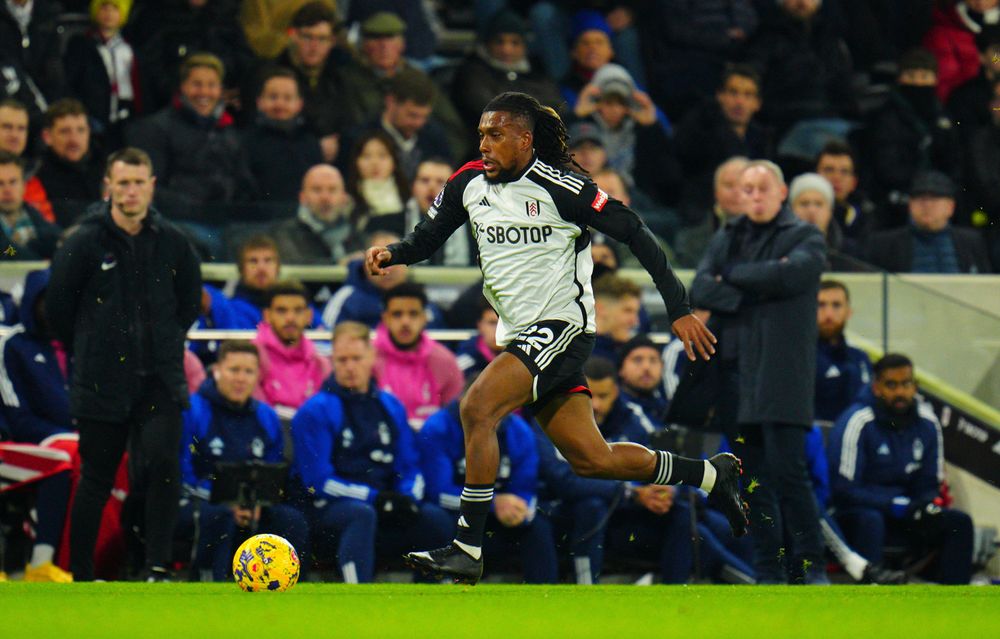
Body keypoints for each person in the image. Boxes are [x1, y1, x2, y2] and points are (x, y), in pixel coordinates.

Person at [366, 91, 746, 584]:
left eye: (495, 134)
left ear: (525, 139)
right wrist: (393, 253)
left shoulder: (560, 186)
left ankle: (466, 546)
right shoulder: (466, 184)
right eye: (481, 133)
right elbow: (427, 238)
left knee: (476, 408)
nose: (484, 142)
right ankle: (711, 474)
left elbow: (634, 230)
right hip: (522, 335)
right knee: (593, 459)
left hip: (563, 328)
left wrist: (679, 309)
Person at [46, 147, 202, 581]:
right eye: (124, 182)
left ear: (152, 185)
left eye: (139, 182)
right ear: (108, 186)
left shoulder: (174, 243)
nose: (131, 190)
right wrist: (93, 347)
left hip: (160, 379)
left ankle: (154, 565)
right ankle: (80, 572)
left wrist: (164, 345)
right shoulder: (83, 242)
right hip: (101, 380)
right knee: (95, 476)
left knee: (164, 467)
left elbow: (188, 303)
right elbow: (58, 308)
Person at [690, 159, 827, 584]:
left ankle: (810, 567)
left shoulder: (805, 235)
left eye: (762, 188)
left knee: (790, 476)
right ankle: (769, 571)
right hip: (737, 376)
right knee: (752, 483)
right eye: (746, 189)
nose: (753, 196)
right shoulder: (728, 235)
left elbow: (795, 274)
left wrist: (732, 279)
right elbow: (700, 287)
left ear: (781, 193)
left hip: (783, 376)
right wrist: (758, 286)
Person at [291, 321, 453, 583]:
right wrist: (375, 498)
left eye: (356, 358)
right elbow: (317, 482)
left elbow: (409, 465)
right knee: (361, 514)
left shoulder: (390, 406)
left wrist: (407, 498)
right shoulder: (316, 410)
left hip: (382, 504)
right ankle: (355, 595)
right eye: (342, 360)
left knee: (435, 520)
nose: (349, 367)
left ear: (372, 357)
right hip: (328, 509)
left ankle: (431, 602)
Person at [828, 353, 974, 584]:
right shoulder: (858, 421)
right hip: (860, 513)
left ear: (915, 387)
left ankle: (954, 598)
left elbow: (929, 483)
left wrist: (924, 505)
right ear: (877, 388)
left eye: (906, 384)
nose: (900, 393)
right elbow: (844, 490)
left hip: (907, 512)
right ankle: (872, 588)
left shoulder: (927, 422)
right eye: (891, 385)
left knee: (958, 522)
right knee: (871, 520)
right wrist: (893, 504)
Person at [176, 340, 309, 581]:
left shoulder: (266, 417)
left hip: (252, 505)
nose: (240, 378)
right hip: (200, 501)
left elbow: (274, 472)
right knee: (218, 515)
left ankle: (291, 586)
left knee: (291, 520)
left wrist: (256, 503)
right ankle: (207, 584)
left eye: (248, 371)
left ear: (258, 376)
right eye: (233, 370)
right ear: (217, 370)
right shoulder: (194, 410)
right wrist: (227, 501)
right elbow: (183, 472)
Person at [125, 52, 257, 258]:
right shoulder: (156, 128)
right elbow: (149, 186)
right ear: (183, 87)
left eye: (211, 85)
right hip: (179, 222)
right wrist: (191, 206)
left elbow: (245, 183)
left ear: (220, 90)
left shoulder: (230, 133)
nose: (204, 92)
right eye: (197, 84)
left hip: (227, 223)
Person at [419, 398, 558, 583]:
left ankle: (544, 596)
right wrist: (491, 503)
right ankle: (435, 591)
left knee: (537, 527)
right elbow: (438, 492)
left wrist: (519, 509)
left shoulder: (519, 431)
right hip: (457, 514)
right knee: (436, 520)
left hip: (498, 520)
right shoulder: (438, 427)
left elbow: (526, 489)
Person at [0, 268, 74, 582]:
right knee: (60, 460)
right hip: (17, 444)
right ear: (33, 301)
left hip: (56, 445)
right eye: (47, 300)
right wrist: (63, 436)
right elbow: (16, 418)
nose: (54, 308)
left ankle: (63, 561)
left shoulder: (77, 346)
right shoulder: (13, 346)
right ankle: (40, 560)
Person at [338, 11, 467, 159]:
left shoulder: (418, 81)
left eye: (390, 38)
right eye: (376, 39)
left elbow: (454, 132)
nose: (384, 47)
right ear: (364, 46)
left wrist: (438, 164)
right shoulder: (346, 80)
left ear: (402, 44)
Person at [866, 48, 964, 228]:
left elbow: (954, 161)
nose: (918, 83)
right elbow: (887, 166)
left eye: (924, 76)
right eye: (911, 76)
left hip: (940, 192)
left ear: (935, 79)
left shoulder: (944, 117)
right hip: (898, 198)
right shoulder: (885, 117)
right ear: (900, 79)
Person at [674, 66, 769, 230]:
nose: (740, 102)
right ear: (720, 96)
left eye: (748, 95)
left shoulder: (762, 139)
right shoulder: (700, 130)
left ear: (757, 103)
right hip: (703, 217)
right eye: (733, 93)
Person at [373, 282, 464, 430]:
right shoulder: (369, 359)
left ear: (424, 317)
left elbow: (455, 418)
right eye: (397, 314)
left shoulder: (445, 361)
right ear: (385, 318)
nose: (405, 322)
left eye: (413, 314)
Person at [450, 9, 562, 128]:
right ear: (487, 43)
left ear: (524, 46)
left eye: (515, 43)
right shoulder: (473, 73)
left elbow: (555, 107)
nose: (506, 50)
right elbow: (487, 110)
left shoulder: (537, 73)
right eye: (499, 42)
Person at [866, 171, 993, 273]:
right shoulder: (884, 246)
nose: (927, 205)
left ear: (950, 207)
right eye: (920, 199)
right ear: (910, 205)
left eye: (935, 199)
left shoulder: (972, 243)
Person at [273, 2, 353, 164]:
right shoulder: (273, 77)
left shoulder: (340, 77)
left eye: (322, 39)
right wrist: (314, 148)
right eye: (308, 37)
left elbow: (349, 124)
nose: (314, 46)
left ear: (332, 42)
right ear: (293, 35)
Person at [339, 73, 454, 182]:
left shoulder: (434, 137)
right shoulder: (358, 138)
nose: (419, 123)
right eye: (412, 115)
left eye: (424, 117)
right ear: (390, 101)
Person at [242, 66, 323, 208]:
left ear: (299, 104)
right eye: (273, 97)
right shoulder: (245, 142)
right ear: (259, 102)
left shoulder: (310, 142)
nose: (280, 104)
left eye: (287, 98)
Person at [63, 0, 139, 149]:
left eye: (115, 8)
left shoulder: (130, 48)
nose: (109, 14)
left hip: (127, 119)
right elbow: (72, 81)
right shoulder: (80, 44)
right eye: (104, 7)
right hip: (95, 118)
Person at [23, 99, 105, 227]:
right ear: (47, 136)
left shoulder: (106, 169)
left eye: (81, 130)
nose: (74, 139)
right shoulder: (35, 177)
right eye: (65, 131)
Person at [253, 280, 330, 415]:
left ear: (309, 316)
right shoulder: (252, 358)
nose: (290, 318)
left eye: (298, 310)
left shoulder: (321, 364)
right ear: (267, 315)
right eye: (281, 311)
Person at [271, 164, 361, 265]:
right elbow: (295, 264)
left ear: (344, 198)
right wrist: (341, 264)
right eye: (317, 190)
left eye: (332, 190)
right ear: (302, 197)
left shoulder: (356, 233)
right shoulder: (285, 234)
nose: (325, 197)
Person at [673, 156, 750, 268]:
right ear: (716, 192)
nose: (736, 192)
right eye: (729, 185)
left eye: (745, 186)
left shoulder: (776, 240)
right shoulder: (690, 242)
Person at [814, 281, 873, 425]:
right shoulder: (800, 358)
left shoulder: (861, 358)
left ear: (849, 312)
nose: (828, 314)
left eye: (836, 305)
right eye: (821, 305)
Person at [403, 157, 475, 267]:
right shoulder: (394, 223)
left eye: (441, 182)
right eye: (424, 180)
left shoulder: (475, 226)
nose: (431, 187)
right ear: (412, 186)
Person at [788, 172, 862, 270]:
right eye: (804, 204)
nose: (812, 211)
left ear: (830, 211)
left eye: (819, 204)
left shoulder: (849, 252)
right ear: (791, 209)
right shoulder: (777, 247)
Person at [344, 130, 409, 237]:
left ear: (394, 162)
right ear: (356, 162)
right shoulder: (347, 201)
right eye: (366, 156)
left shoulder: (408, 199)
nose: (374, 162)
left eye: (382, 156)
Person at [0, 151, 60, 259]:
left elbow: (59, 242)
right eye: (0, 183)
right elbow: (6, 251)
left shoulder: (36, 218)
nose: (7, 190)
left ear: (24, 186)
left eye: (13, 182)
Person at [815, 140, 875, 242]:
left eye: (844, 172)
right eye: (829, 170)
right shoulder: (797, 213)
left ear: (854, 183)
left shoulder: (867, 219)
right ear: (814, 176)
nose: (836, 177)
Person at [591, 274, 641, 362]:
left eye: (636, 312)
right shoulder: (574, 353)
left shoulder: (628, 354)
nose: (635, 321)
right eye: (627, 311)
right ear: (600, 309)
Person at [455, 297, 503, 380]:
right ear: (480, 325)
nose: (499, 329)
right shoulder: (464, 365)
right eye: (492, 323)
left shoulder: (523, 358)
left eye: (504, 324)